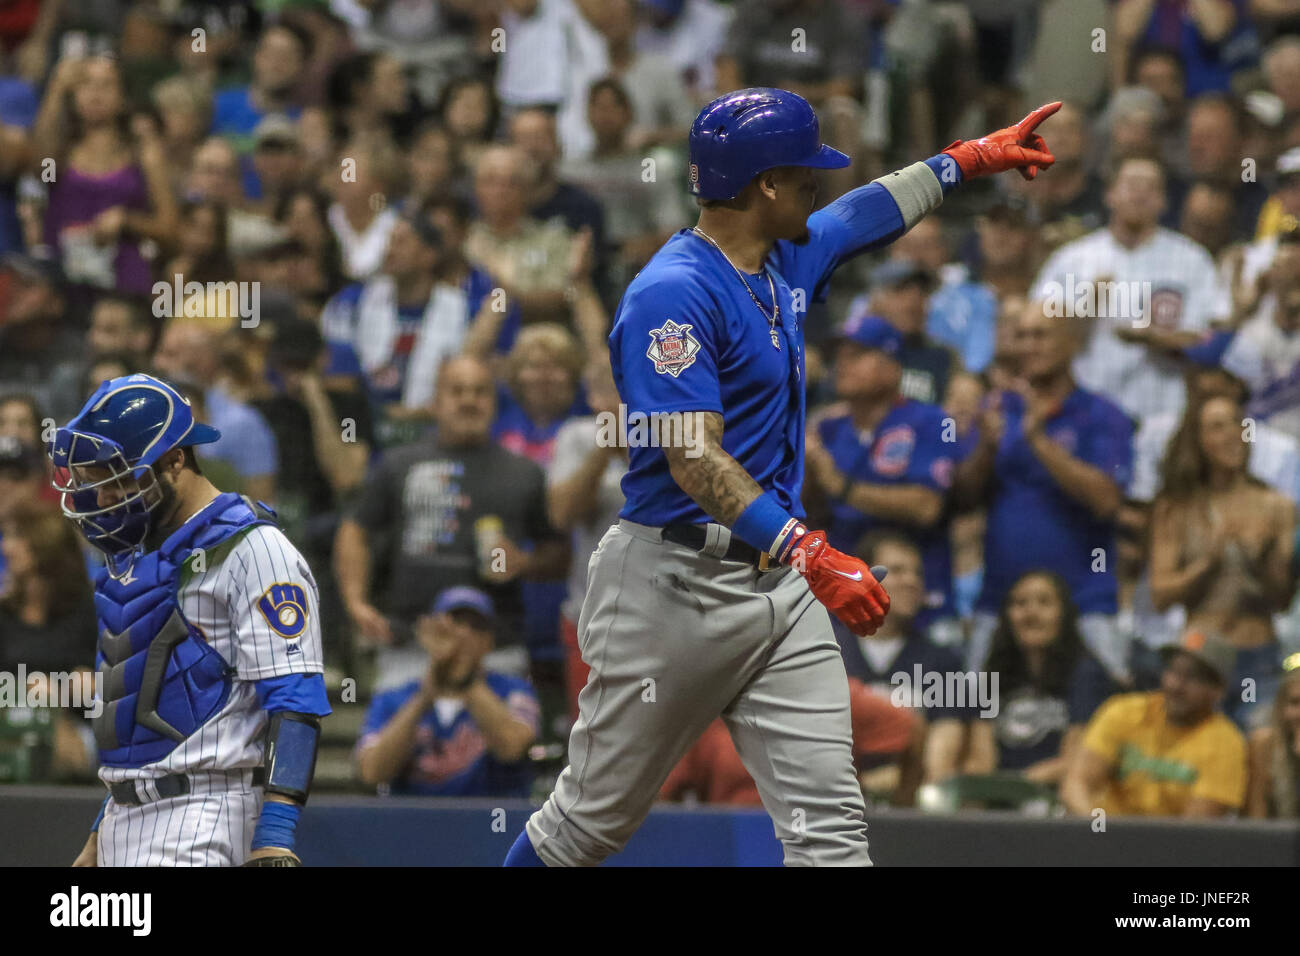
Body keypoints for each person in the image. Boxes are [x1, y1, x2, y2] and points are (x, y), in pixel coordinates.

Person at [503, 88, 1060, 867]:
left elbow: (867, 212)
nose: (817, 186)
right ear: (765, 184)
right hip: (672, 585)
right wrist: (810, 551)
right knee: (585, 828)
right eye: (805, 174)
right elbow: (693, 459)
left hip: (780, 590)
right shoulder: (673, 292)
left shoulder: (782, 251)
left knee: (831, 835)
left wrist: (967, 159)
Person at [50, 374, 330, 866]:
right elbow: (141, 711)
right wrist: (100, 831)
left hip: (204, 815)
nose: (104, 497)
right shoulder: (139, 557)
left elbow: (295, 701)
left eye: (115, 479)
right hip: (124, 815)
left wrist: (276, 835)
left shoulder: (255, 549)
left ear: (174, 460)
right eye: (93, 480)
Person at [334, 356, 569, 690]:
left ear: (493, 402)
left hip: (496, 649)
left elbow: (559, 553)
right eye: (457, 391)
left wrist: (525, 562)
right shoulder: (398, 464)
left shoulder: (524, 473)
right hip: (409, 646)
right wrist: (356, 602)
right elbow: (355, 529)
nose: (469, 400)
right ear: (436, 402)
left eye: (479, 392)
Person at [954, 301, 1135, 685]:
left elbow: (1106, 501)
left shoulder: (1102, 415)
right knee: (980, 717)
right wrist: (985, 447)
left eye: (1041, 335)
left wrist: (1038, 439)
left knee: (1096, 721)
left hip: (1086, 603)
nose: (1029, 346)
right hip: (1000, 604)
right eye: (1022, 336)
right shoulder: (998, 411)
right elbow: (961, 500)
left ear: (1071, 343)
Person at [1030, 156, 1224, 429]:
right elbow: (1037, 334)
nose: (1140, 193)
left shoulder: (1192, 259)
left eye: (1150, 187)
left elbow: (1210, 341)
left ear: (1164, 201)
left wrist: (1152, 337)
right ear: (1110, 195)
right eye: (1132, 184)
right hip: (1088, 411)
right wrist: (1084, 308)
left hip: (1162, 412)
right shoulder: (1072, 259)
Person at [804, 315, 962, 643]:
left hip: (922, 607)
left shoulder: (929, 422)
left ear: (893, 368)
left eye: (858, 355)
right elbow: (810, 512)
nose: (843, 366)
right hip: (846, 607)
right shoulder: (829, 429)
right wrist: (807, 465)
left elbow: (926, 506)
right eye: (840, 357)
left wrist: (841, 486)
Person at [1149, 389, 1297, 730]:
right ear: (1198, 440)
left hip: (1258, 653)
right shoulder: (1176, 508)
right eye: (1216, 427)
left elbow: (1283, 599)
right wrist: (1207, 563)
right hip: (1200, 657)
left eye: (1236, 424)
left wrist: (1262, 560)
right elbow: (1160, 595)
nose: (1230, 434)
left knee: (1258, 744)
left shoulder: (1277, 507)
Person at [355, 586, 540, 797]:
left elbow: (512, 748)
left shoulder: (514, 689)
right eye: (454, 624)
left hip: (492, 824)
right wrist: (425, 696)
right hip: (414, 825)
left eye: (476, 627)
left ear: (489, 641)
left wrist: (463, 680)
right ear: (430, 633)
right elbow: (371, 772)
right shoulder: (393, 697)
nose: (463, 633)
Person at [834, 532, 977, 784]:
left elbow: (941, 764)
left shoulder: (944, 663)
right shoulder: (827, 651)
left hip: (909, 806)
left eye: (918, 573)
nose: (912, 581)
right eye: (897, 571)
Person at [1061, 630, 1248, 818]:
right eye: (1174, 671)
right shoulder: (1124, 711)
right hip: (1106, 832)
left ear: (1218, 690)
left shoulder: (1226, 744)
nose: (1176, 685)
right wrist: (1099, 831)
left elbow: (1195, 832)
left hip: (1170, 844)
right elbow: (1077, 784)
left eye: (1192, 677)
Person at [963, 570, 1113, 786]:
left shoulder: (1087, 674)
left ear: (1064, 614)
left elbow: (1075, 760)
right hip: (999, 801)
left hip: (1057, 799)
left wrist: (1016, 785)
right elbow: (981, 759)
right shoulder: (992, 676)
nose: (1031, 613)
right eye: (1020, 603)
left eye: (1044, 602)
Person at [0, 499, 95, 675]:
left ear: (45, 541)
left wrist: (90, 685)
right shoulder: (5, 612)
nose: (6, 547)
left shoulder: (89, 609)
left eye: (17, 536)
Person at [1246, 662, 1300, 818]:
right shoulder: (1262, 746)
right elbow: (1256, 820)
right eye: (1295, 702)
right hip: (1274, 840)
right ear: (1281, 707)